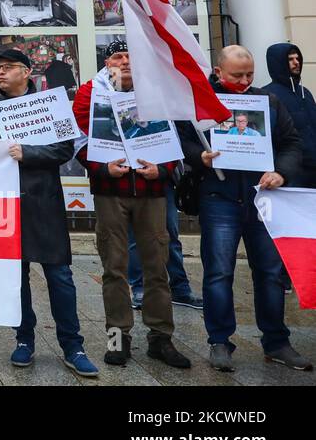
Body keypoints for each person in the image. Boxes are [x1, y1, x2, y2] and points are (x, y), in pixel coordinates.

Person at [0, 48, 99, 379]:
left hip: (44, 203)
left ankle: (73, 346)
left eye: (8, 67)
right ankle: (24, 340)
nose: (0, 73)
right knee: (17, 279)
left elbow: (64, 149)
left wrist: (27, 153)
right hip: (7, 206)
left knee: (60, 277)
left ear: (26, 72)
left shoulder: (50, 107)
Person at [186, 45, 310, 372]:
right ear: (218, 72)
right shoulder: (202, 103)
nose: (243, 81)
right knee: (218, 273)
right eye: (236, 75)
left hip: (262, 198)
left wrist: (280, 171)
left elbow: (291, 142)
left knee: (270, 273)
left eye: (249, 75)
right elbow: (182, 140)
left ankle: (277, 341)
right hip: (219, 199)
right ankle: (220, 341)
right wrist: (199, 157)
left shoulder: (267, 102)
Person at [72, 41, 191, 369]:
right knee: (114, 267)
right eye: (117, 57)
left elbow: (174, 138)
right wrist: (100, 168)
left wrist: (163, 170)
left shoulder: (157, 90)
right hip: (111, 192)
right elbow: (79, 140)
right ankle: (117, 337)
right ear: (106, 62)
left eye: (130, 56)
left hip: (152, 193)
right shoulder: (89, 93)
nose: (124, 62)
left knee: (157, 267)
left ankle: (160, 337)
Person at [261, 42, 316, 292]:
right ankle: (283, 276)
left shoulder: (306, 93)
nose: (295, 63)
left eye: (297, 58)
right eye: (290, 59)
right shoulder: (268, 95)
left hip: (312, 169)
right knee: (287, 228)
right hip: (289, 172)